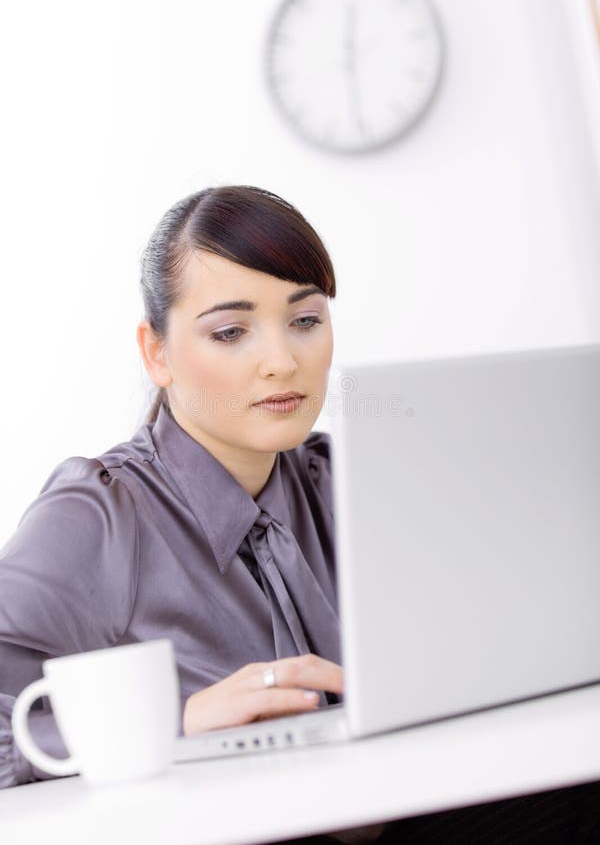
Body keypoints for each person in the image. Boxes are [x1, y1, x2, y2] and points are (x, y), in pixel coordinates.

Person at [1, 184, 598, 843]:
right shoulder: (101, 516)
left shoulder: (349, 485)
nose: (282, 362)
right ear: (157, 353)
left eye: (306, 320)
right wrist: (176, 724)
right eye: (231, 331)